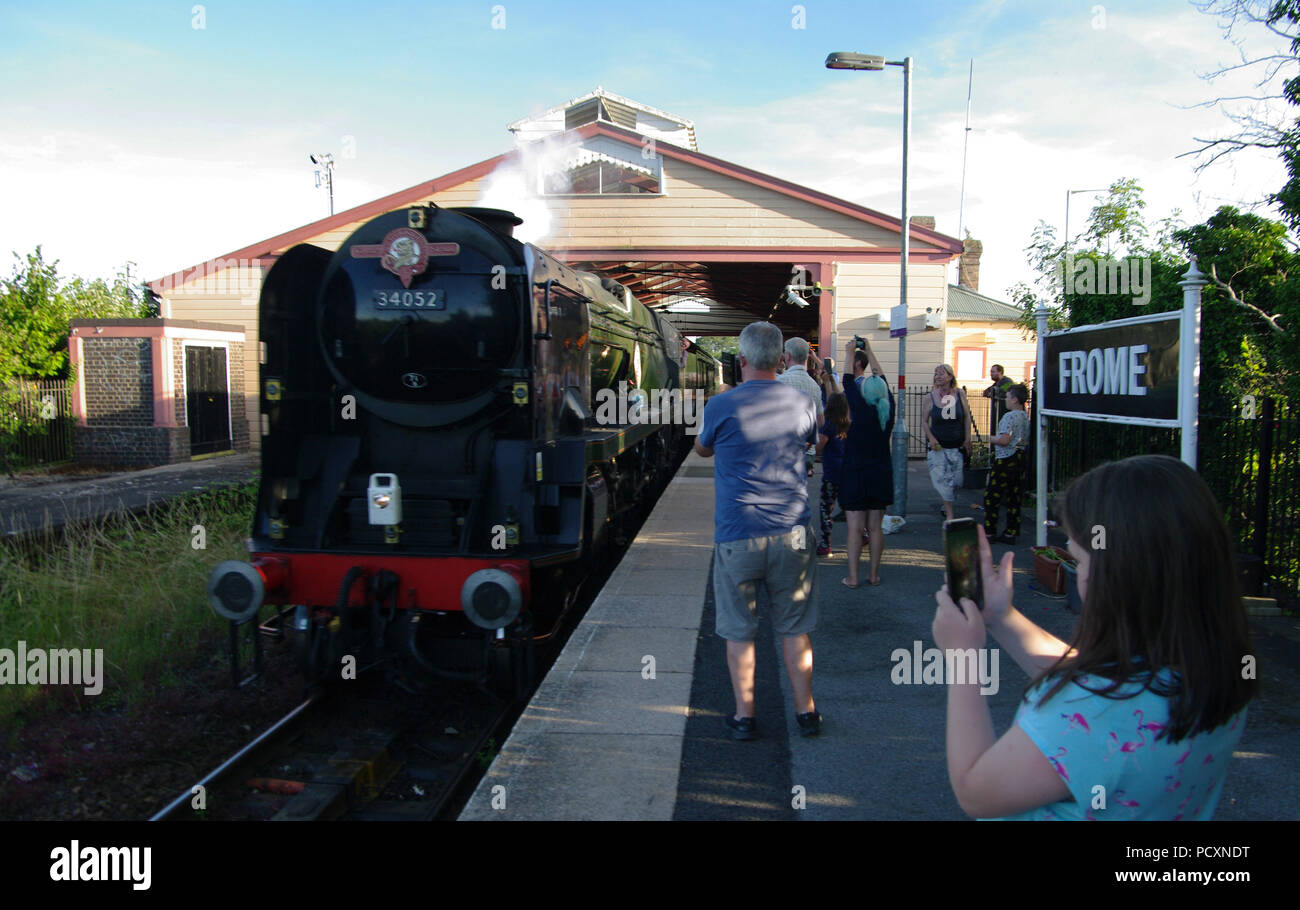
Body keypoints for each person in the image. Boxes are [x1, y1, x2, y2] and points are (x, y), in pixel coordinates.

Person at [932, 455, 1256, 820]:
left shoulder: (1092, 709)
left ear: (1117, 572)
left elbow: (976, 793)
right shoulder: (1216, 667)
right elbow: (1098, 677)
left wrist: (963, 659)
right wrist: (1001, 618)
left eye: (1079, 561)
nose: (1077, 571)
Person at [695, 322, 822, 740]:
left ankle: (744, 716)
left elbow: (702, 448)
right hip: (794, 532)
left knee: (739, 630)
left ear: (742, 360)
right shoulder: (803, 403)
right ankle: (806, 712)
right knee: (794, 627)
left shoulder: (720, 405)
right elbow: (808, 442)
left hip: (737, 533)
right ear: (782, 359)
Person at [839, 341, 893, 588]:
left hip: (855, 472)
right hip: (881, 473)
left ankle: (853, 577)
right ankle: (874, 574)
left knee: (854, 527)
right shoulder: (886, 412)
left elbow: (847, 379)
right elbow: (881, 376)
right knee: (875, 528)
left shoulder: (859, 408)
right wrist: (870, 351)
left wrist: (850, 352)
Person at [983, 383, 1030, 545]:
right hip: (1019, 457)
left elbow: (1004, 440)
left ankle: (989, 532)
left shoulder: (1009, 417)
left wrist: (989, 438)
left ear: (1015, 399)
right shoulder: (1025, 416)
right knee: (1013, 496)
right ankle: (1011, 532)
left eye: (1007, 397)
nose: (1005, 400)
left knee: (992, 495)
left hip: (1005, 458)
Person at [922, 364, 970, 522]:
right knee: (942, 480)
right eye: (936, 374)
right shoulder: (930, 397)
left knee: (956, 481)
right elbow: (924, 421)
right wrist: (931, 438)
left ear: (950, 376)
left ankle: (948, 502)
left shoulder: (959, 394)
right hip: (939, 447)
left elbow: (967, 417)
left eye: (942, 373)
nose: (938, 376)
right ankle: (950, 516)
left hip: (956, 446)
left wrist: (967, 438)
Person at [815, 392, 850, 557]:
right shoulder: (848, 425)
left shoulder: (828, 426)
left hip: (831, 474)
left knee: (826, 509)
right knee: (852, 508)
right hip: (848, 472)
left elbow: (819, 446)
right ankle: (863, 534)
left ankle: (825, 543)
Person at [982, 364, 1015, 436]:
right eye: (991, 372)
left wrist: (994, 393)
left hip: (1005, 414)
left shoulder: (1008, 382)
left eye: (993, 372)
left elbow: (1000, 393)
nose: (991, 374)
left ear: (1000, 372)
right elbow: (985, 393)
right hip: (997, 414)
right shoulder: (996, 384)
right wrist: (993, 393)